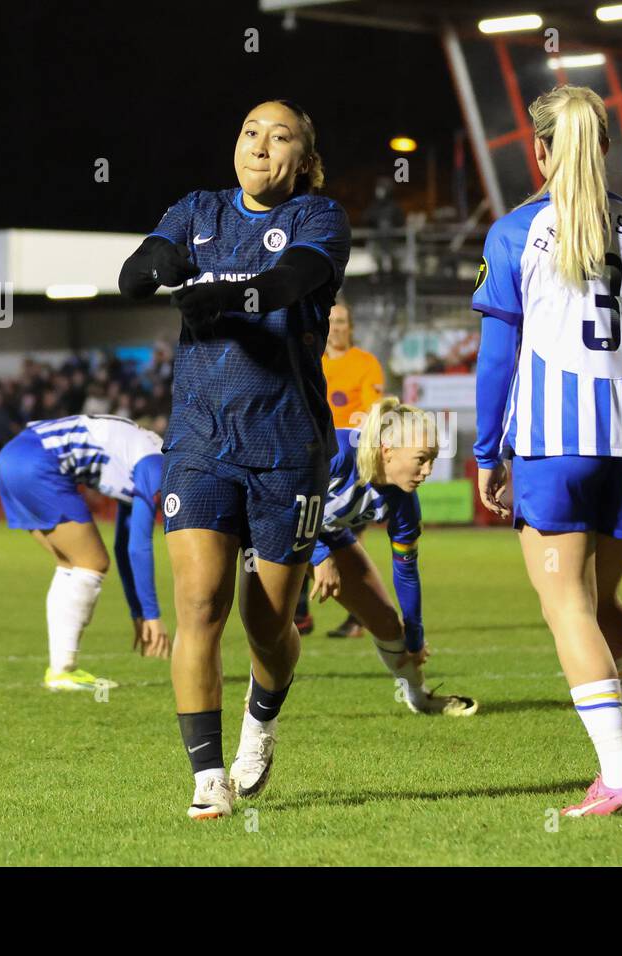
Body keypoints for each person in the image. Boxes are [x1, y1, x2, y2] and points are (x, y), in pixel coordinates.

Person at [118, 99, 351, 820]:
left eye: (280, 136)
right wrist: (154, 259)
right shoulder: (198, 210)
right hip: (199, 444)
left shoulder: (321, 219)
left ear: (302, 161)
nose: (260, 144)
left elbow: (285, 285)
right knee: (199, 608)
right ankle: (207, 778)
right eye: (251, 131)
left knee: (269, 625)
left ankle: (263, 719)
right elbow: (134, 276)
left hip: (288, 449)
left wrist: (221, 293)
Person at [473, 84, 622, 817]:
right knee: (605, 601)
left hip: (554, 445)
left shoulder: (513, 233)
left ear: (538, 151)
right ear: (604, 147)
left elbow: (496, 361)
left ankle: (619, 775)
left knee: (567, 606)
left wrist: (483, 452)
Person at [308, 398, 477, 716]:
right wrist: (318, 556)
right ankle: (257, 719)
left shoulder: (404, 501)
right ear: (387, 450)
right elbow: (283, 499)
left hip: (326, 534)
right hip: (274, 529)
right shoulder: (338, 452)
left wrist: (415, 635)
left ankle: (419, 696)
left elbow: (406, 571)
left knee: (386, 623)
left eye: (432, 461)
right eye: (421, 459)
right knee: (273, 625)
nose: (427, 471)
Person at [0, 414, 169, 690]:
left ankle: (60, 671)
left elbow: (124, 547)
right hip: (38, 463)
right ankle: (63, 670)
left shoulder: (142, 454)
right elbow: (138, 547)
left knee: (70, 564)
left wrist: (138, 610)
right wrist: (152, 616)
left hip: (10, 458)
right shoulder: (156, 466)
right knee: (92, 562)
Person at [307, 299, 386, 638]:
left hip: (350, 462)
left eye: (342, 322)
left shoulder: (365, 364)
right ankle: (301, 612)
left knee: (351, 538)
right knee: (304, 529)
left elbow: (374, 412)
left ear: (350, 327)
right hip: (314, 458)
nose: (336, 327)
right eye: (332, 321)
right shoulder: (313, 364)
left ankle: (358, 615)